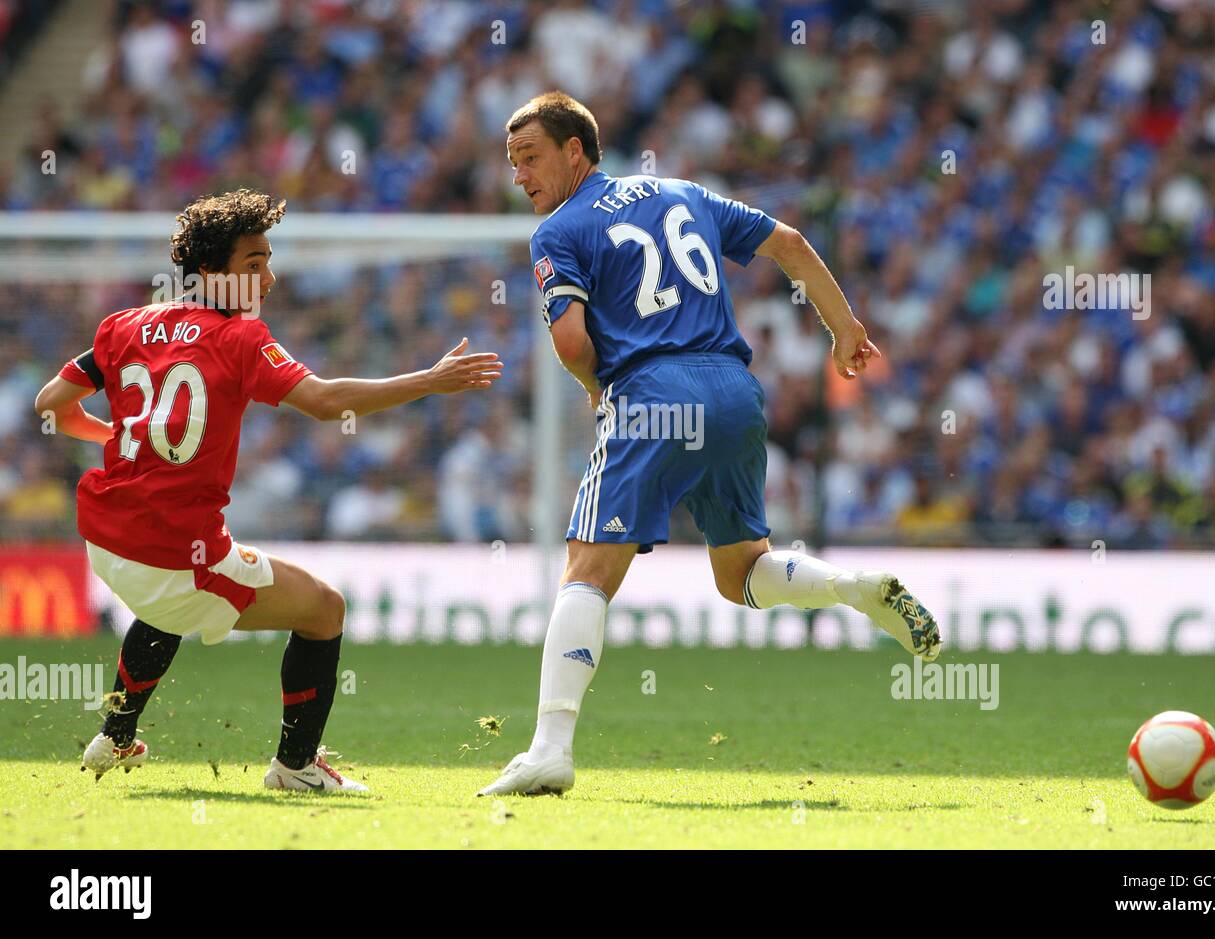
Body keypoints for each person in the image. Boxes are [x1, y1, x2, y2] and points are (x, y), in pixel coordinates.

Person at [478, 93, 941, 797]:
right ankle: (847, 587)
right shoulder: (684, 193)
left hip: (654, 393)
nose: (520, 176)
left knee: (588, 568)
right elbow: (791, 243)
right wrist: (844, 329)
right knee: (741, 572)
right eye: (513, 162)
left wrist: (597, 387)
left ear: (576, 151)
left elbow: (571, 340)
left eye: (531, 157)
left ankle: (549, 747)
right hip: (733, 390)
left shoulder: (559, 230)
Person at [35, 189, 502, 791]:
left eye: (268, 261)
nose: (270, 278)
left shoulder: (122, 325)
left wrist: (123, 436)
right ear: (210, 274)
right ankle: (295, 768)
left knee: (167, 605)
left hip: (104, 540)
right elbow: (327, 403)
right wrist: (430, 381)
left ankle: (116, 735)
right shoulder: (241, 339)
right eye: (253, 264)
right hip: (178, 554)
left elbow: (52, 404)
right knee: (324, 609)